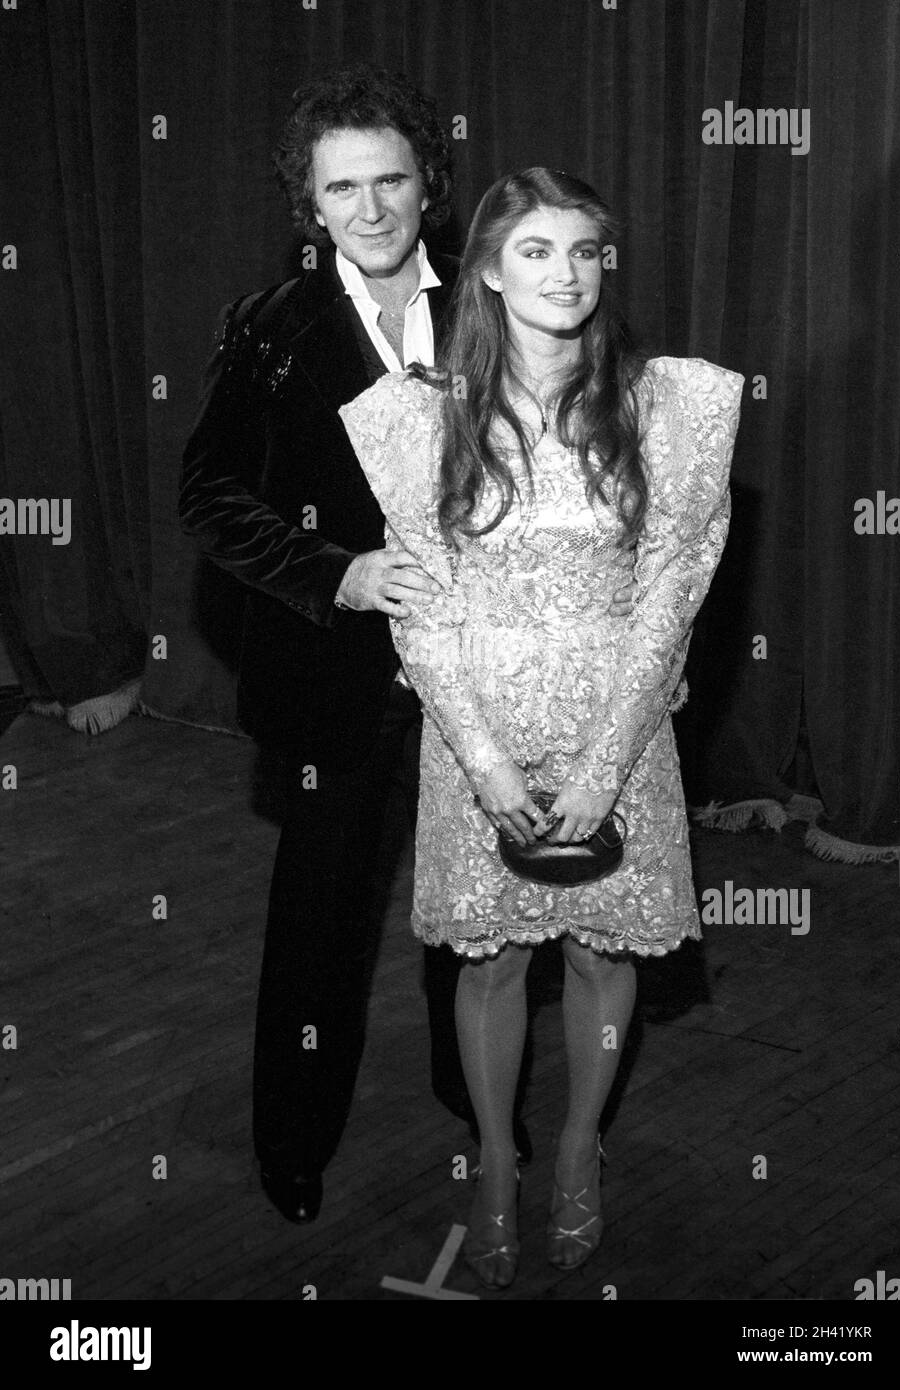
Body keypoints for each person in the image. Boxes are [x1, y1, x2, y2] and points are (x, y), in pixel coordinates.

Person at [340, 166, 744, 1288]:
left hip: (619, 731)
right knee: (490, 961)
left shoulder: (670, 405)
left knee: (603, 953)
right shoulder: (422, 417)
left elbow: (672, 595)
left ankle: (576, 1153)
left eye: (581, 251)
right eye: (533, 251)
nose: (562, 273)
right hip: (479, 736)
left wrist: (607, 764)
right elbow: (420, 609)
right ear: (483, 271)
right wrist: (478, 760)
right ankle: (496, 1162)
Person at [178, 66, 468, 1225]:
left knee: (473, 912)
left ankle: (472, 1090)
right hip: (337, 679)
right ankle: (290, 1139)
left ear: (426, 184)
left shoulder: (496, 303)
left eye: (389, 178)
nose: (370, 207)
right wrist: (334, 573)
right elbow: (206, 494)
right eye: (341, 186)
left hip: (478, 676)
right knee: (319, 925)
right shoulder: (274, 325)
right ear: (310, 201)